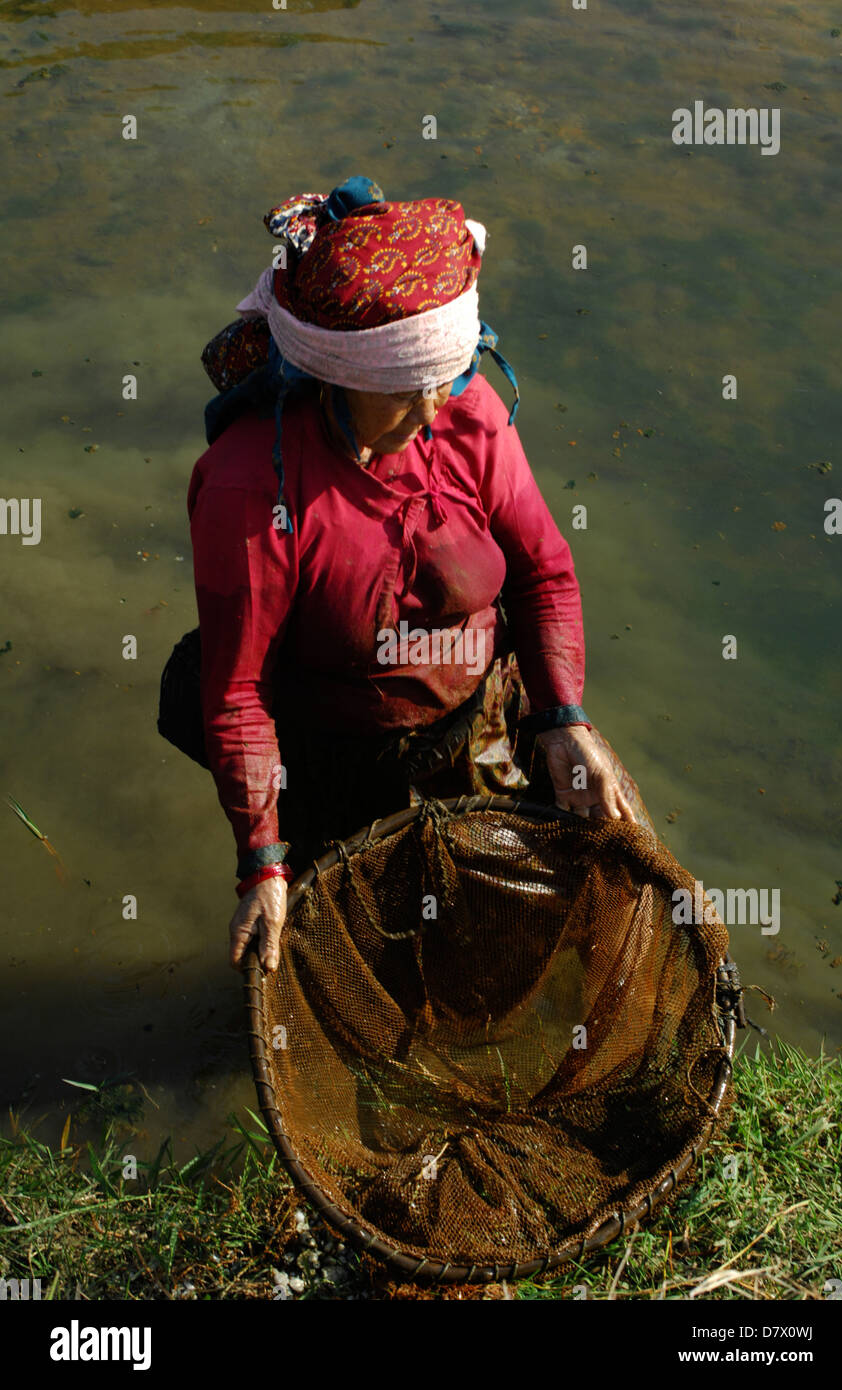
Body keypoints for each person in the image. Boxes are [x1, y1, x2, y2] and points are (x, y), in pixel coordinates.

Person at [164, 176, 649, 977]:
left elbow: (543, 573)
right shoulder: (254, 488)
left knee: (516, 927)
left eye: (449, 377)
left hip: (481, 720)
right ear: (336, 373)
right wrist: (262, 862)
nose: (435, 408)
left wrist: (563, 715)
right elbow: (239, 694)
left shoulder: (466, 416)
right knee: (370, 954)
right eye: (409, 390)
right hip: (339, 754)